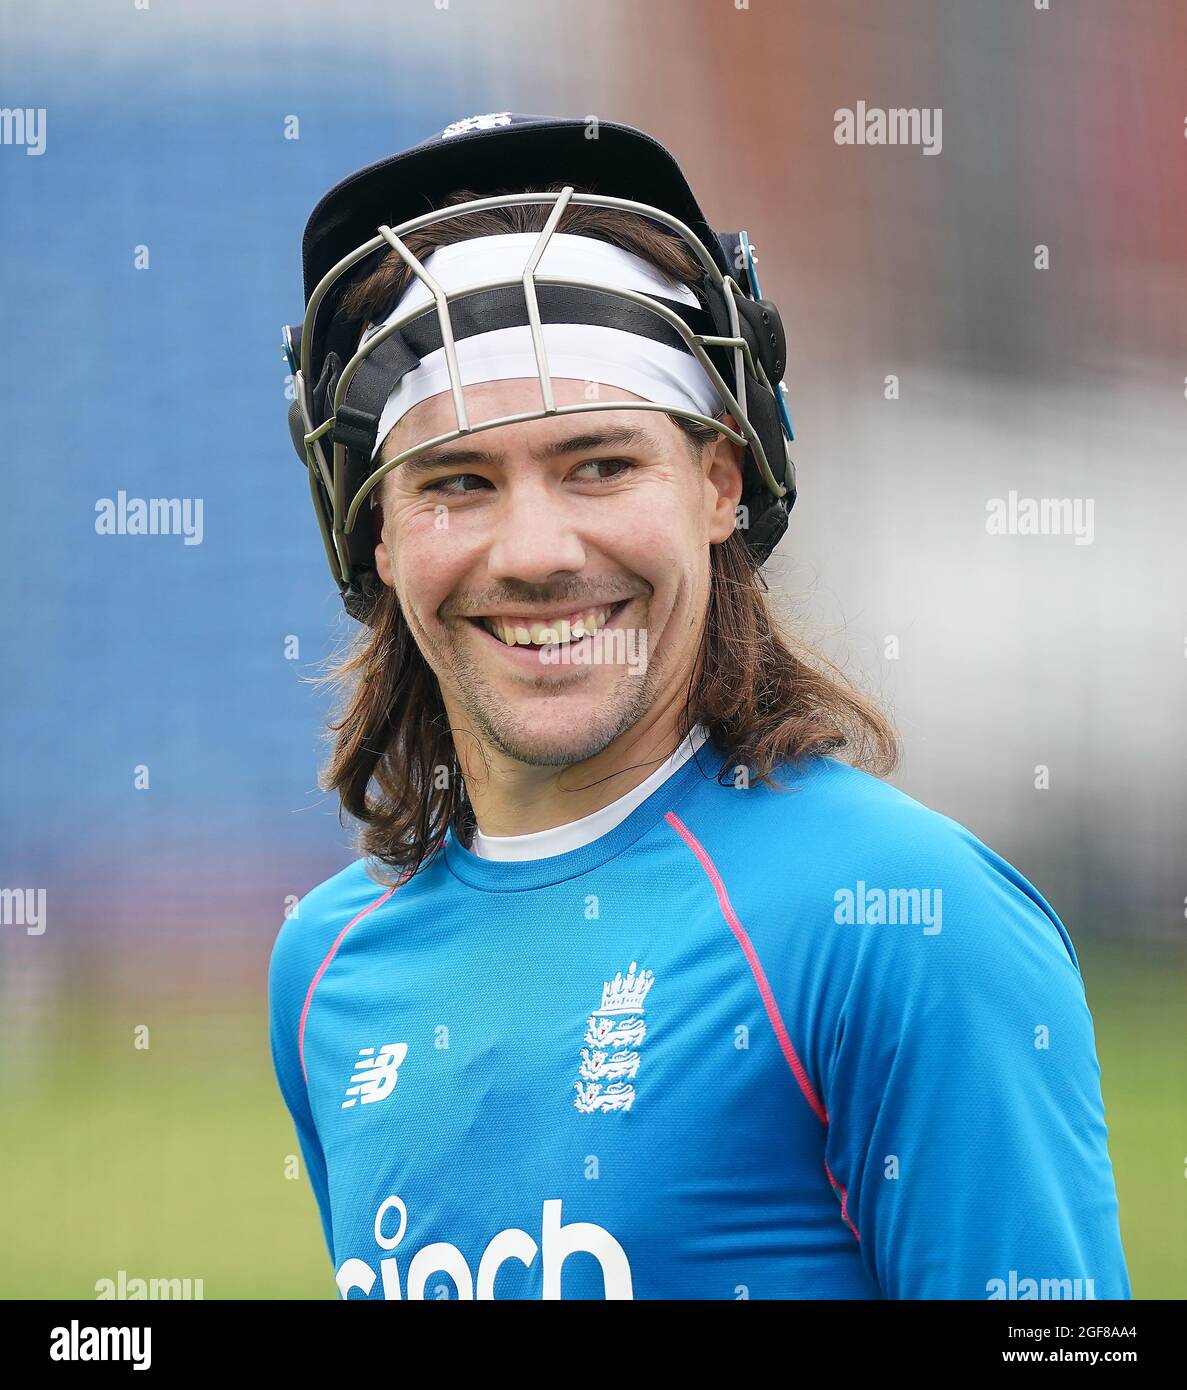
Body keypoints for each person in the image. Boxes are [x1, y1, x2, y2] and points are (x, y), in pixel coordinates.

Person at [269, 113, 1130, 1300]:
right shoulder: (322, 967)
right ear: (374, 531)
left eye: (600, 464)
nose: (532, 551)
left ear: (719, 482)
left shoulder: (903, 924)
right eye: (458, 482)